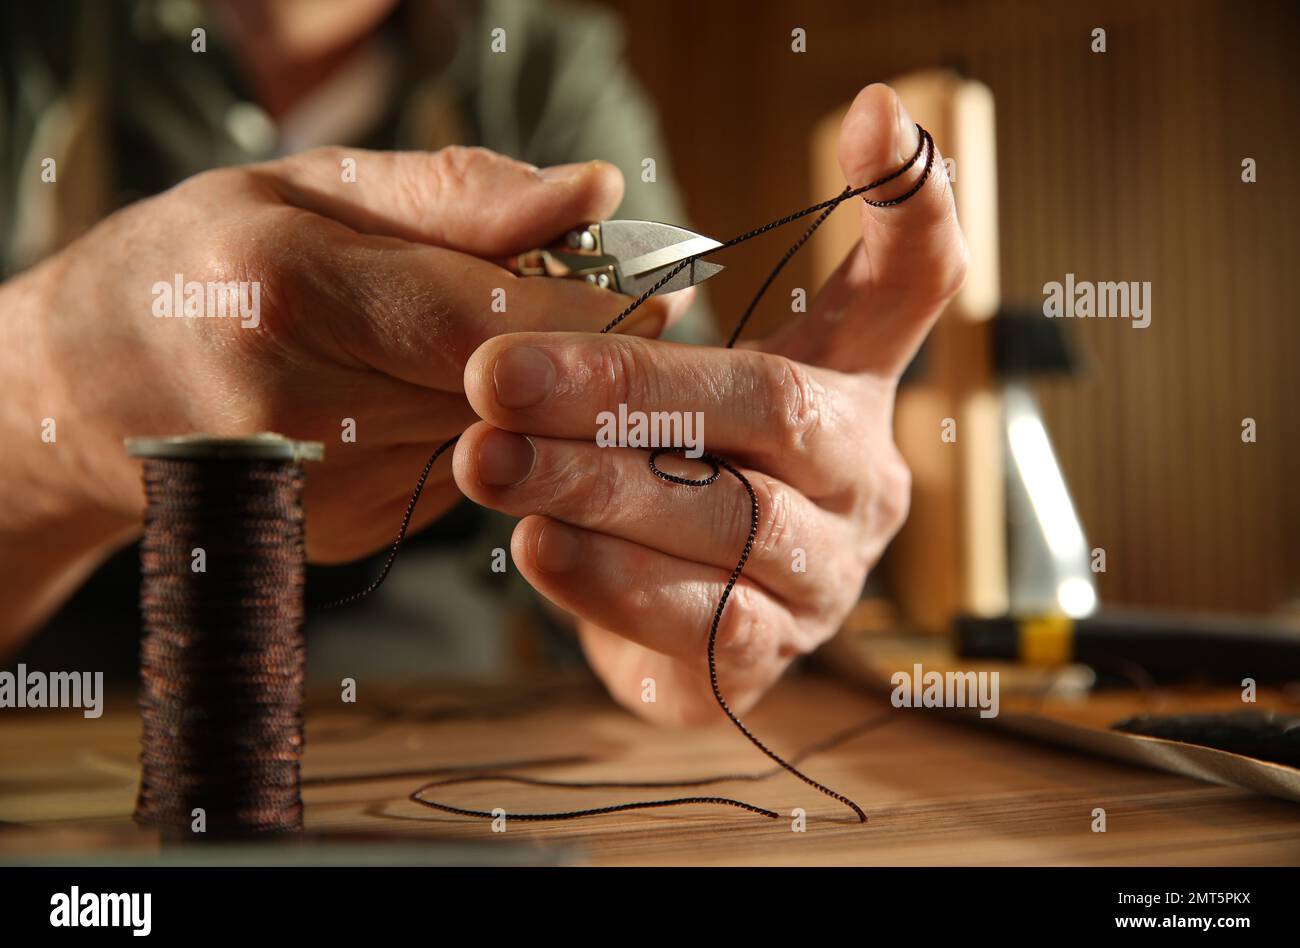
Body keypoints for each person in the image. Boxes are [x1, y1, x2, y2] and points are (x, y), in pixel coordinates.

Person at [0, 0, 967, 726]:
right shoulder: (35, 38)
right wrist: (57, 395)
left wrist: (686, 584)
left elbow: (681, 448)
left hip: (438, 731)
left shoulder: (541, 63)